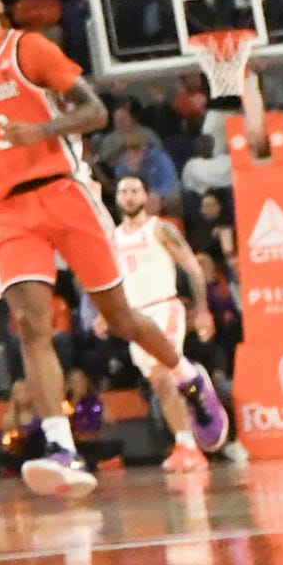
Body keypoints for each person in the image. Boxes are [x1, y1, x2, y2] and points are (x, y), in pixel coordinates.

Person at [0, 0, 227, 498]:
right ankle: (60, 444)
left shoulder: (30, 49)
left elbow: (94, 112)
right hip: (11, 207)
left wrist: (43, 131)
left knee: (119, 317)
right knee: (29, 324)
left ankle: (186, 375)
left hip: (68, 192)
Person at [105, 171, 218, 470]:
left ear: (145, 197)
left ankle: (187, 445)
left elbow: (193, 268)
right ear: (116, 198)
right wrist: (106, 315)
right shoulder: (111, 238)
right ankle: (194, 392)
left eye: (134, 190)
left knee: (163, 374)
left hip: (163, 309)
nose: (129, 196)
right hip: (133, 318)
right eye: (124, 191)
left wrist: (203, 309)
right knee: (162, 384)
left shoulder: (161, 229)